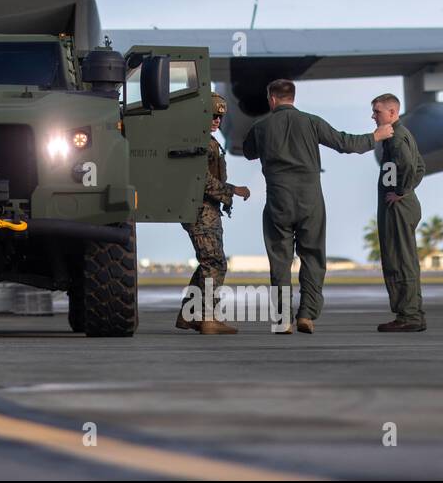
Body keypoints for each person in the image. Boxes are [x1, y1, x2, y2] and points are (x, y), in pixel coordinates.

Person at [242, 79, 393, 333]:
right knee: (312, 256)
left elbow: (248, 152)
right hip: (310, 199)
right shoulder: (312, 122)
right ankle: (307, 315)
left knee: (280, 259)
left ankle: (283, 319)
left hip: (278, 198)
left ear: (272, 99)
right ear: (293, 97)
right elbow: (344, 144)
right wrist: (374, 137)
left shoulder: (262, 126)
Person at [176, 92, 250, 334]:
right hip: (200, 209)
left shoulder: (206, 140)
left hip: (206, 209)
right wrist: (232, 190)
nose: (217, 120)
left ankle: (189, 315)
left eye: (220, 116)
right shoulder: (198, 142)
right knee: (215, 263)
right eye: (212, 115)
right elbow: (202, 180)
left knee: (208, 262)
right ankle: (208, 318)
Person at [370, 93, 427, 332]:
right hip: (403, 205)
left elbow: (407, 166)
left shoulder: (395, 138)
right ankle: (413, 313)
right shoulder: (403, 135)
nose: (373, 116)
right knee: (405, 260)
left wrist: (400, 192)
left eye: (377, 111)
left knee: (399, 261)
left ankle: (409, 316)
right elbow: (420, 167)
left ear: (392, 113)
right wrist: (406, 191)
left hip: (397, 208)